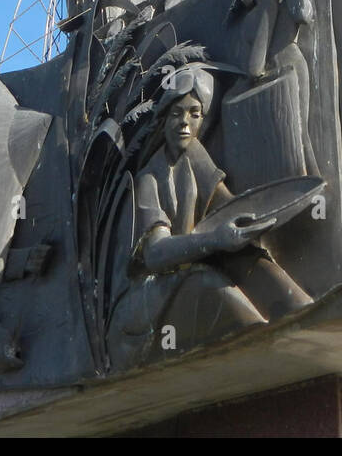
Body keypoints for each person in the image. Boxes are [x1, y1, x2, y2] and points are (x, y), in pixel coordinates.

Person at [104, 66, 310, 369]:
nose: (184, 122)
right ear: (163, 119)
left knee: (247, 258)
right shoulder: (149, 178)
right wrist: (214, 240)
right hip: (143, 301)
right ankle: (263, 339)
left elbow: (226, 207)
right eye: (176, 113)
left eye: (194, 113)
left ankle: (299, 310)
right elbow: (155, 253)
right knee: (206, 281)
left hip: (188, 269)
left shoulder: (195, 156)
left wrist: (259, 219)